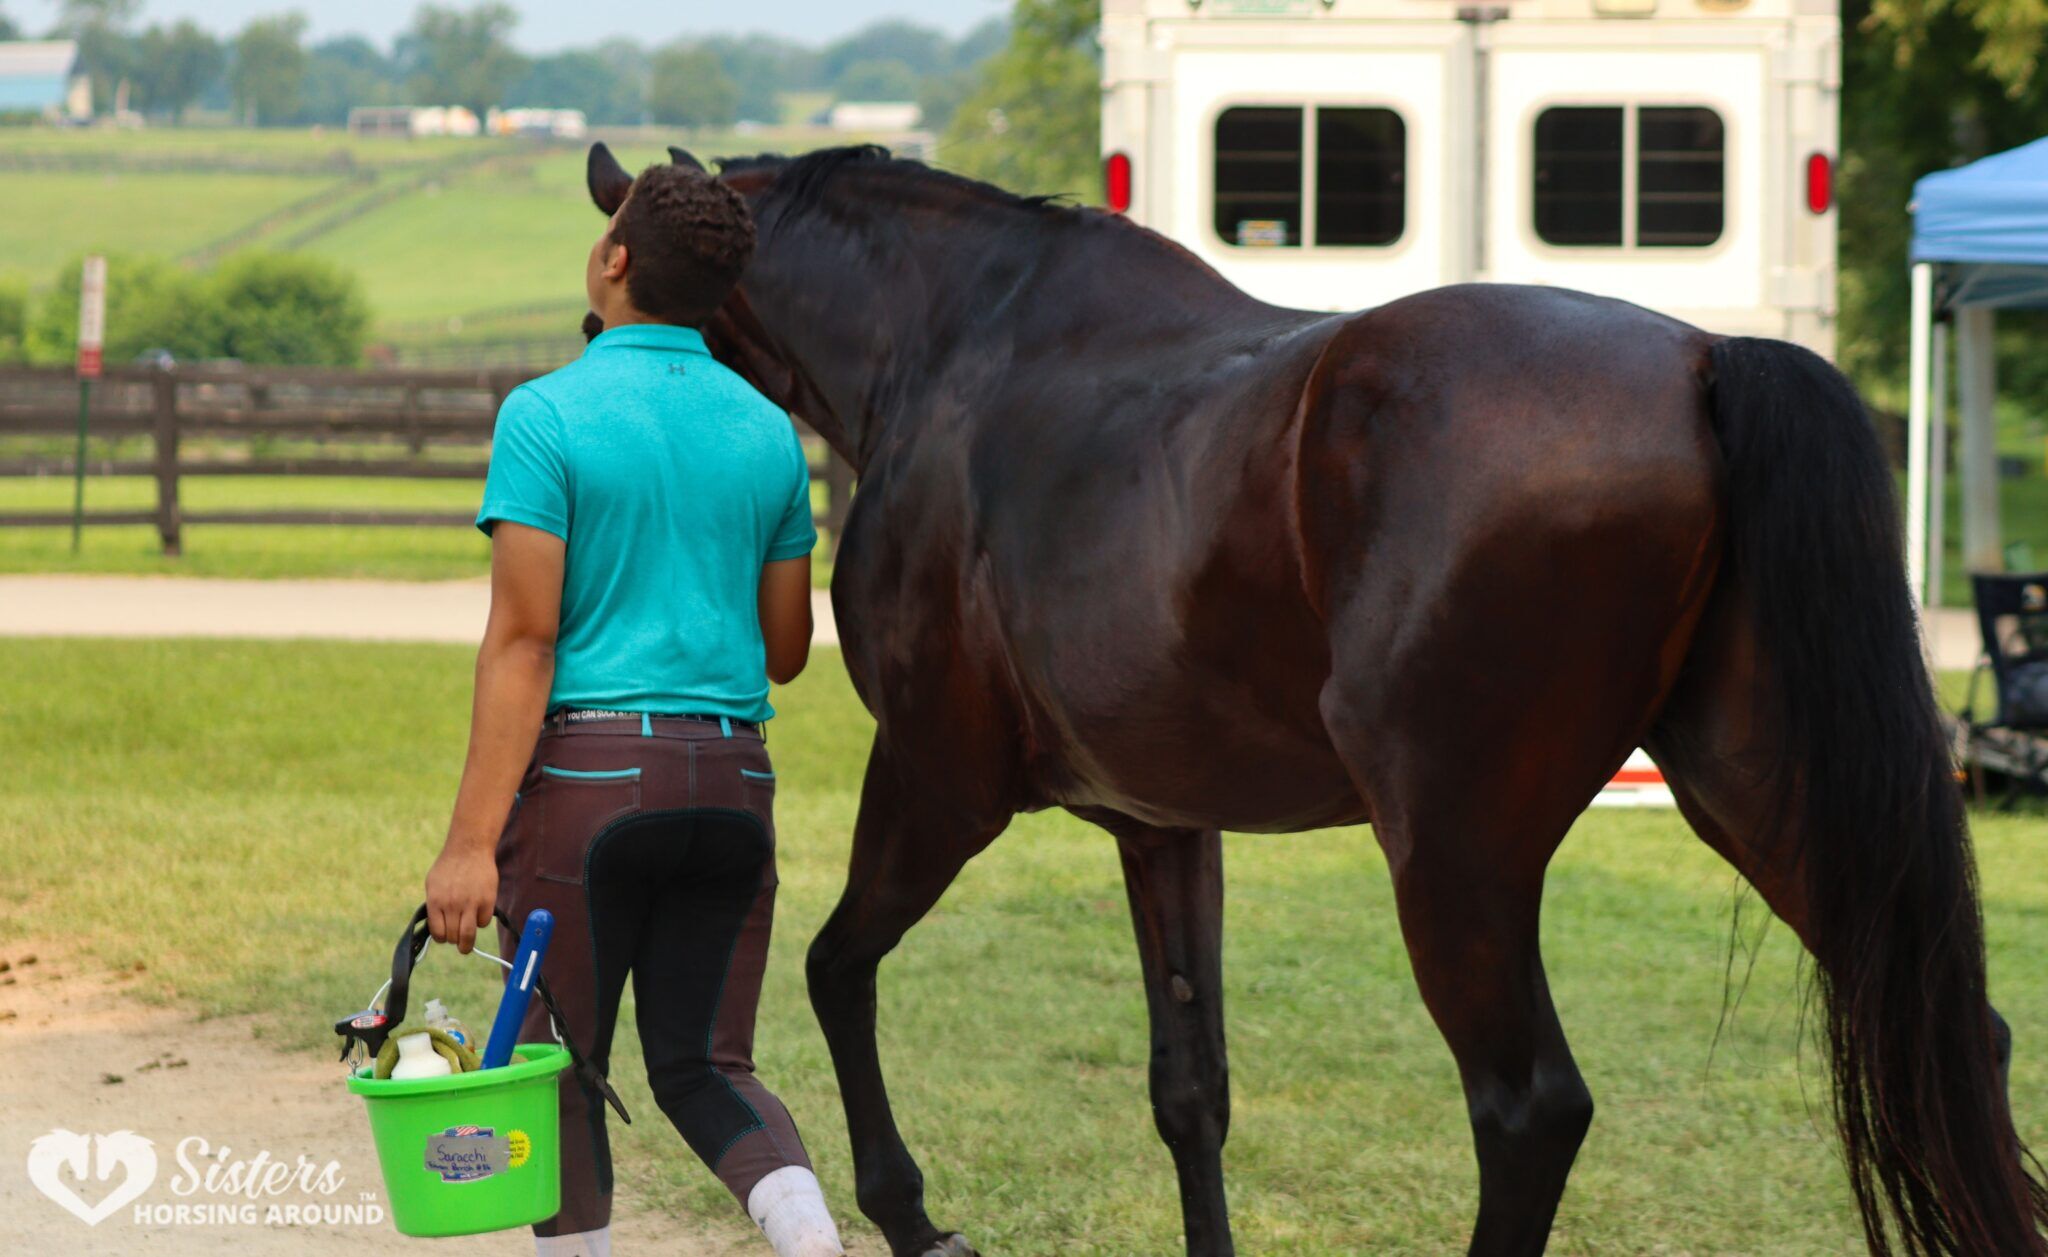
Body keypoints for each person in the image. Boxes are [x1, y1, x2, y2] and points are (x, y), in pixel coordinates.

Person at [423, 162, 843, 1257]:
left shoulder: (546, 415)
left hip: (588, 791)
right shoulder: (767, 432)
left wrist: (469, 845)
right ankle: (813, 1240)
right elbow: (787, 649)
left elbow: (524, 642)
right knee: (709, 1066)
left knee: (556, 1067)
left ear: (613, 259)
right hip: (733, 783)